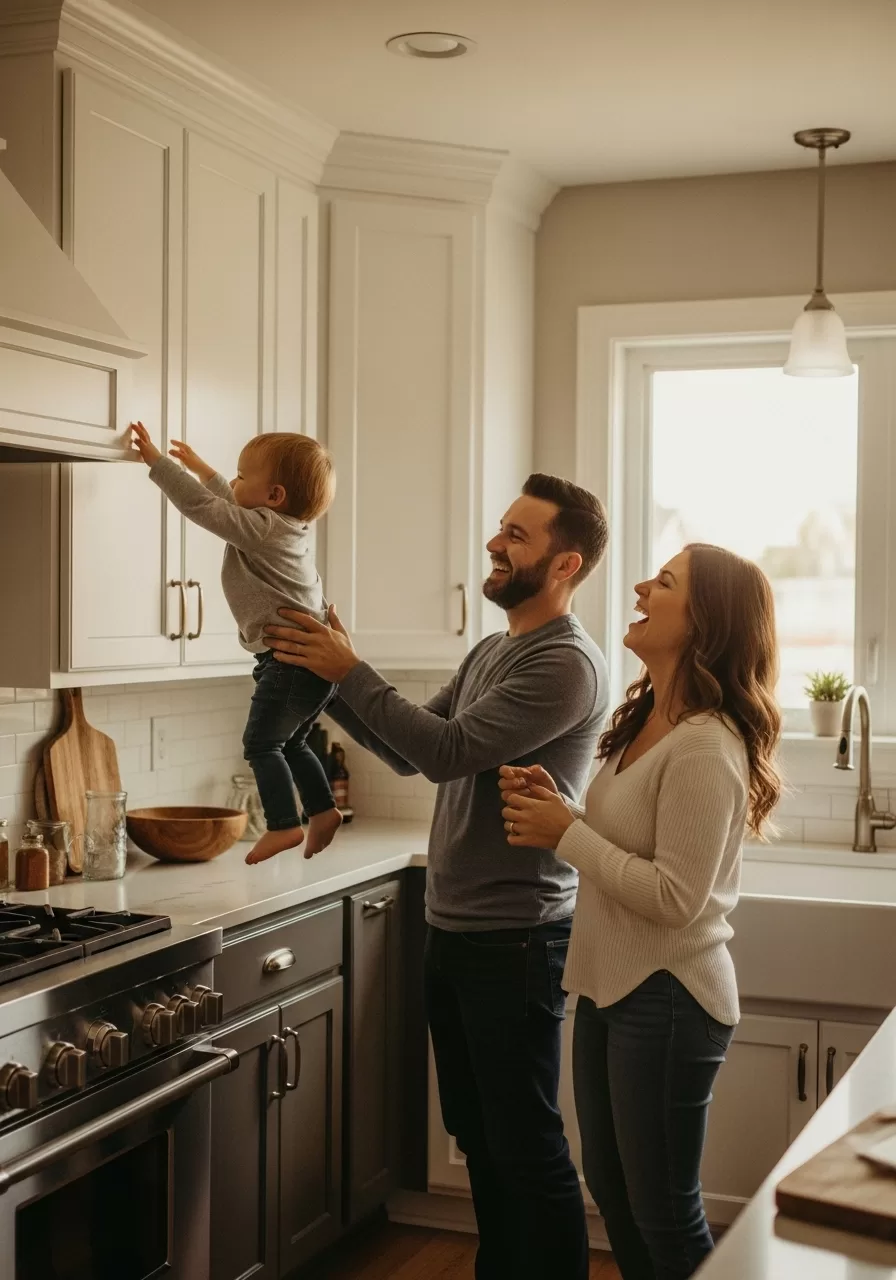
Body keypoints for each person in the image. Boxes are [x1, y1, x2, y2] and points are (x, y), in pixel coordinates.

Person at [265, 474, 610, 1280]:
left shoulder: (566, 665)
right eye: (501, 528)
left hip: (517, 939)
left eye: (517, 536)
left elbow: (446, 751)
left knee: (523, 1144)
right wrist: (331, 675)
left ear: (565, 565)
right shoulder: (495, 648)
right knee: (480, 1135)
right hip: (458, 929)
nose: (495, 543)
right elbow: (408, 748)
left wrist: (351, 670)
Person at [499, 543, 782, 1280]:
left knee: (663, 1212)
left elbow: (677, 901)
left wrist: (567, 835)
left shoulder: (703, 746)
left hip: (669, 995)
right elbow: (626, 842)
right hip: (612, 987)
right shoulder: (648, 720)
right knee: (618, 1200)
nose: (638, 586)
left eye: (663, 583)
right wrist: (564, 812)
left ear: (704, 621)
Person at [129, 422, 342, 864]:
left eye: (243, 474)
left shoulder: (261, 530)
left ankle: (283, 825)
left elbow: (203, 506)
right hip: (306, 666)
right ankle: (322, 811)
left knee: (261, 745)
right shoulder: (279, 525)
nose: (234, 480)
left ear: (275, 496)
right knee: (293, 744)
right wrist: (202, 467)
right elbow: (229, 497)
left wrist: (159, 463)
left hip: (290, 664)